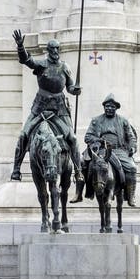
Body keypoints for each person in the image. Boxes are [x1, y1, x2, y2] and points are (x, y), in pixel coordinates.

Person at [10, 30, 84, 189]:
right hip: (40, 108)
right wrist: (21, 47)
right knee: (24, 135)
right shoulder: (41, 65)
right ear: (48, 50)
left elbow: (69, 86)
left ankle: (78, 171)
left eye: (57, 49)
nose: (55, 51)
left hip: (59, 109)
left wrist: (75, 90)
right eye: (53, 49)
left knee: (72, 138)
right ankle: (16, 169)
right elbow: (26, 60)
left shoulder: (65, 67)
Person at [72, 93, 137, 206]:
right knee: (82, 163)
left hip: (118, 150)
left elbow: (131, 137)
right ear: (104, 107)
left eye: (112, 106)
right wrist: (99, 140)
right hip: (99, 150)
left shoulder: (123, 121)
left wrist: (132, 147)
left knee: (132, 167)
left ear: (116, 108)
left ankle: (130, 196)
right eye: (107, 106)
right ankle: (79, 193)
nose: (109, 108)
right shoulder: (96, 120)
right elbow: (88, 137)